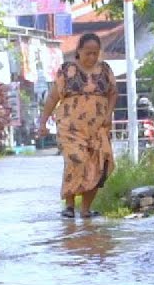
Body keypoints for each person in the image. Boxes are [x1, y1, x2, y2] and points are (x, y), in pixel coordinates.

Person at [37, 32, 119, 219]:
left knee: (98, 165)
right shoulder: (67, 70)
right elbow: (53, 97)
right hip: (70, 127)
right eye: (87, 53)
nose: (91, 57)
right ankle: (70, 204)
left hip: (98, 127)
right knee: (77, 161)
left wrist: (108, 115)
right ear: (79, 51)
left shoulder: (105, 70)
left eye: (95, 53)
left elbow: (113, 93)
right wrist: (43, 122)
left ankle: (86, 209)